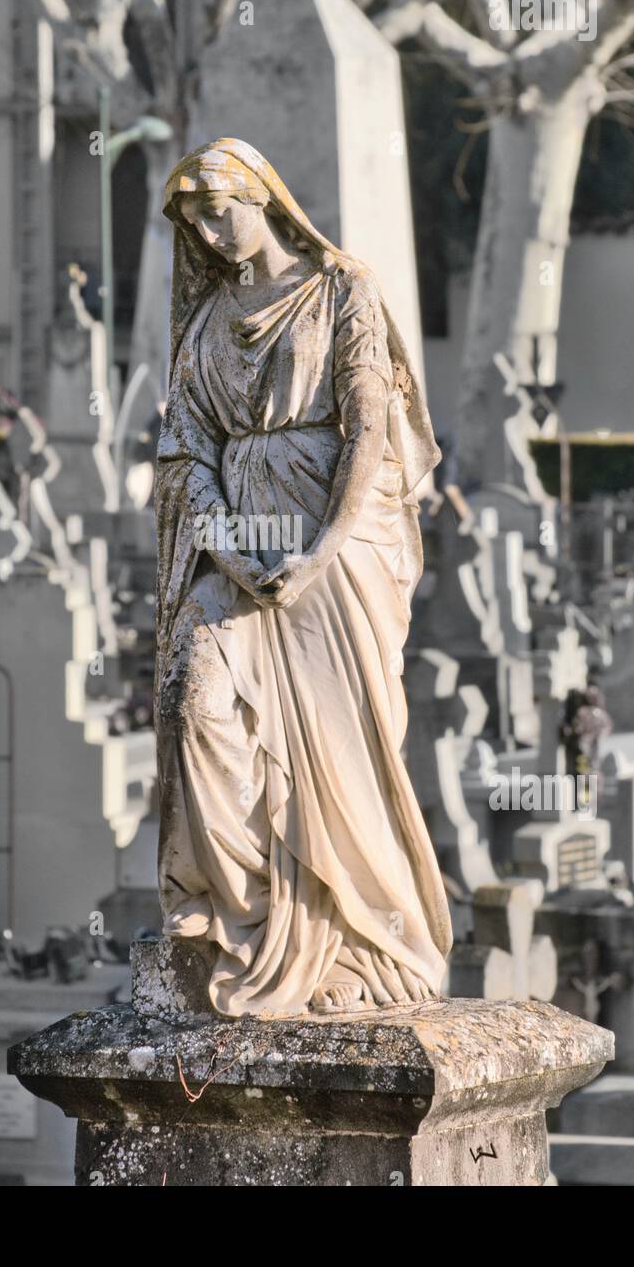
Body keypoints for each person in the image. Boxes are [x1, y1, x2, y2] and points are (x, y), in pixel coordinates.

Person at [153, 137, 451, 1016]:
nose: (209, 232)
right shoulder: (205, 317)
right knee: (192, 704)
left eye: (219, 209)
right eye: (193, 219)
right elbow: (184, 452)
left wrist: (319, 550)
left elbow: (368, 428)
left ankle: (354, 932)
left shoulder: (339, 289)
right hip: (236, 549)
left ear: (264, 198)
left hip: (332, 555)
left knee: (337, 743)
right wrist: (229, 546)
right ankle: (246, 923)